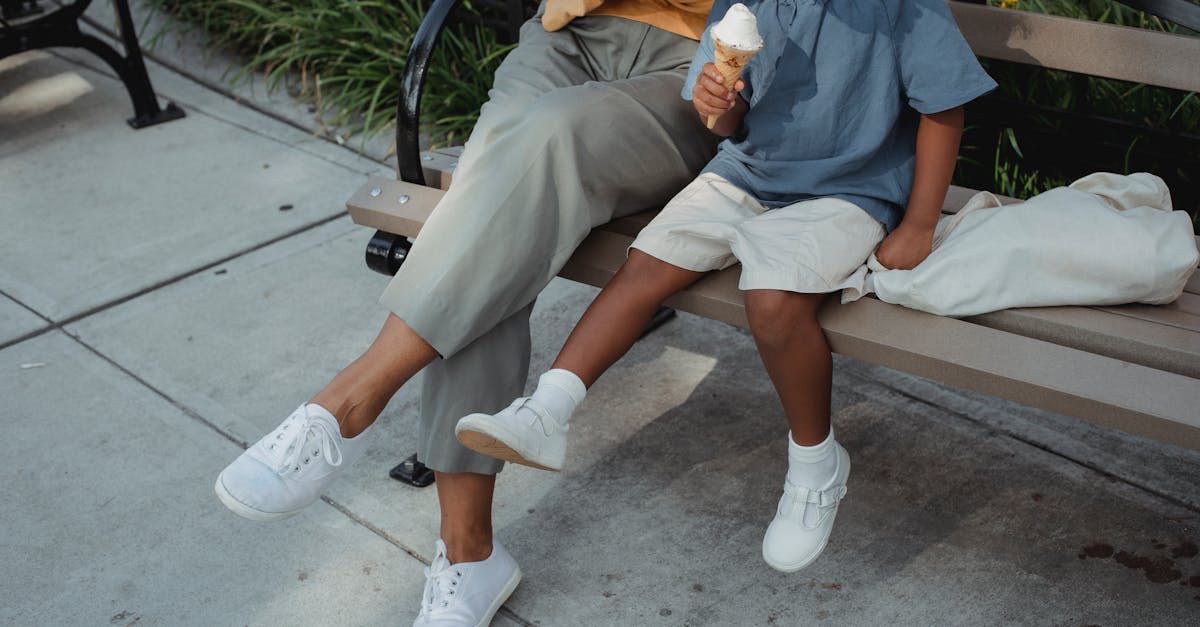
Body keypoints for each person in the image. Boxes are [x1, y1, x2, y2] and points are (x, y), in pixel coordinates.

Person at [213, 1, 719, 625]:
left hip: (706, 64)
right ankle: (467, 551)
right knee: (491, 201)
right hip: (572, 29)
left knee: (544, 142)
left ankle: (351, 398)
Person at [454, 0, 997, 573]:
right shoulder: (746, 5)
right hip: (749, 170)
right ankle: (548, 411)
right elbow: (725, 118)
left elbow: (945, 108)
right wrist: (720, 108)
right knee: (650, 260)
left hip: (851, 191)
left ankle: (816, 466)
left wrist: (917, 223)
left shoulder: (901, 6)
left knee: (772, 301)